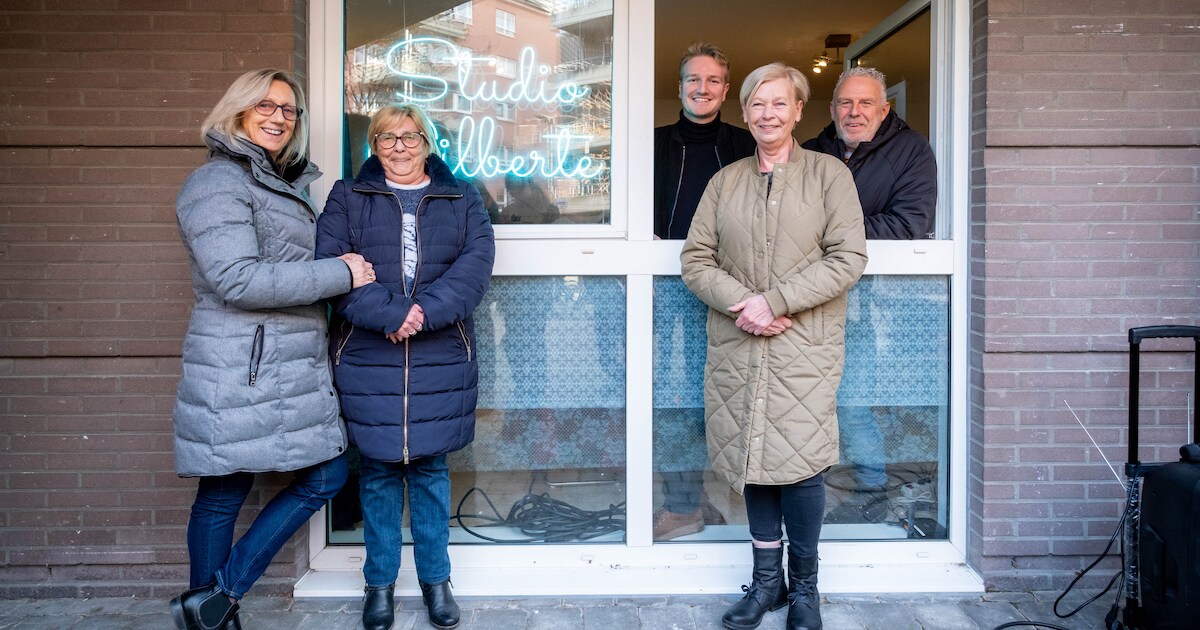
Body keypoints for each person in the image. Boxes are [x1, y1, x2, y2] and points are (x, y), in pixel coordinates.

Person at [169, 69, 376, 630]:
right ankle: (214, 605)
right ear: (236, 112)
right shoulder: (217, 184)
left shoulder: (274, 183)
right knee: (228, 489)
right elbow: (236, 279)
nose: (279, 116)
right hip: (243, 365)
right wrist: (340, 273)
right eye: (265, 105)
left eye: (289, 109)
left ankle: (214, 602)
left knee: (318, 476)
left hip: (280, 362)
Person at [680, 63, 867, 630]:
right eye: (758, 104)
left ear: (798, 110)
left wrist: (777, 301)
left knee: (802, 465)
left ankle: (805, 590)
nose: (768, 114)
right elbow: (695, 259)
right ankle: (766, 586)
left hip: (803, 347)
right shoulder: (726, 181)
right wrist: (747, 304)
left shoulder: (828, 175)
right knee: (753, 463)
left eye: (779, 104)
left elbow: (848, 258)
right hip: (740, 345)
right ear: (745, 112)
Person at [315, 103, 496, 630]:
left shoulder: (462, 197)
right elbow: (333, 267)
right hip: (370, 352)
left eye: (410, 135)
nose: (399, 145)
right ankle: (379, 586)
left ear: (427, 142)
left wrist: (420, 315)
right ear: (373, 145)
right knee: (376, 474)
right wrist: (391, 314)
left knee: (431, 472)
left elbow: (474, 266)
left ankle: (436, 583)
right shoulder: (349, 197)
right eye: (386, 137)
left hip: (441, 352)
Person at [802, 67, 937, 499]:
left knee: (853, 402)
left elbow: (908, 224)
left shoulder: (911, 151)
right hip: (805, 299)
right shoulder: (809, 152)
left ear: (884, 109)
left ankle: (872, 490)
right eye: (845, 102)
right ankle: (808, 489)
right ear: (832, 108)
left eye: (865, 103)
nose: (854, 112)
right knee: (802, 400)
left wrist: (829, 232)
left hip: (866, 300)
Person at [652, 41, 757, 541]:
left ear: (726, 89)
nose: (702, 88)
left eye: (713, 80)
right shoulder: (651, 144)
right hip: (655, 288)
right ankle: (684, 502)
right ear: (679, 87)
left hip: (720, 289)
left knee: (710, 396)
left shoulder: (743, 146)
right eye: (694, 79)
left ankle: (692, 501)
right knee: (668, 397)